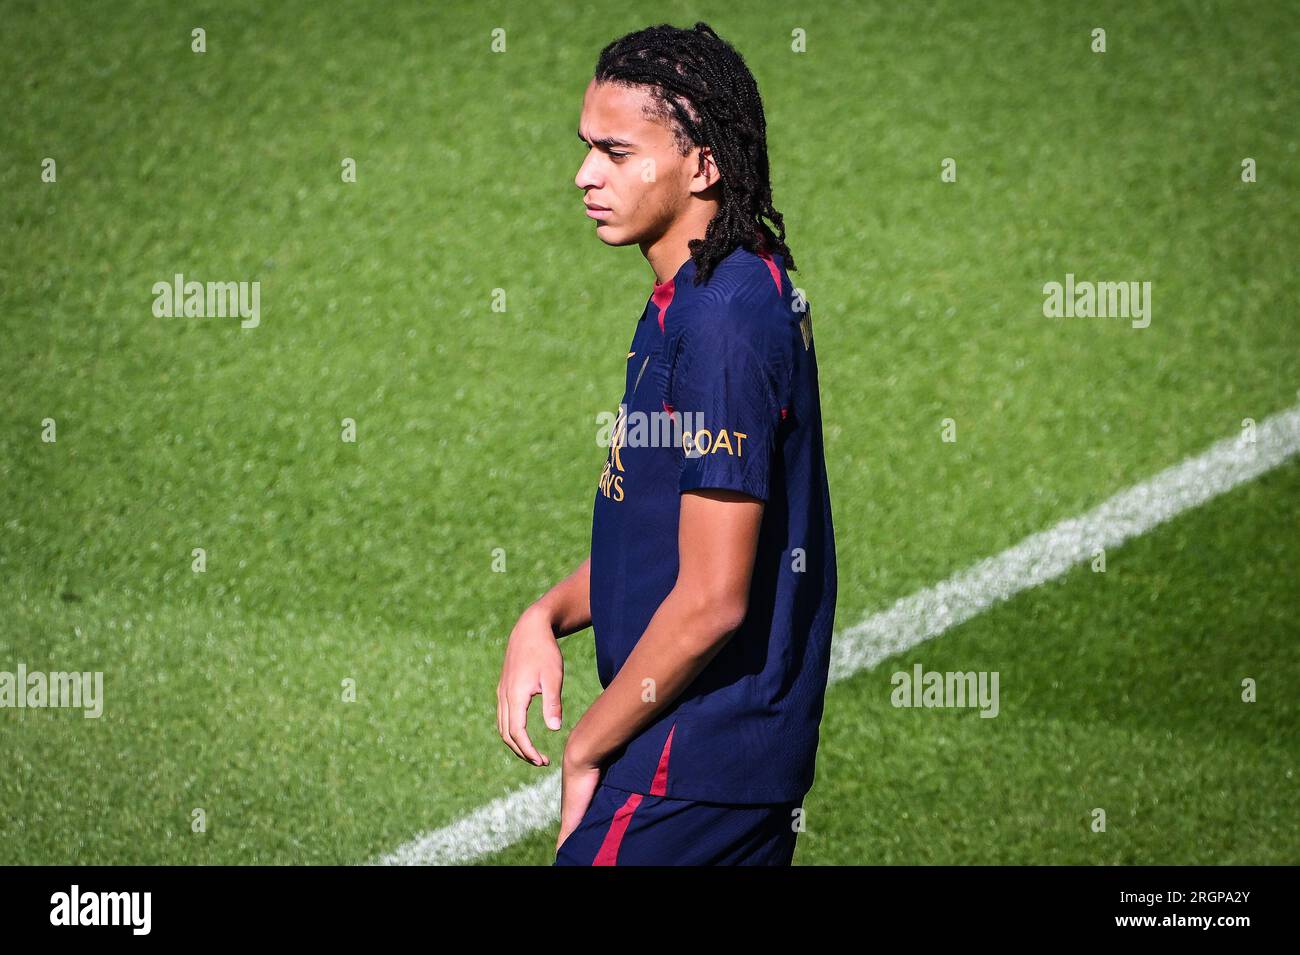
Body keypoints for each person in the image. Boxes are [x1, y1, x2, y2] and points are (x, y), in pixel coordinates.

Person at [496, 21, 836, 866]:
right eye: (587, 147)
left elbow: (713, 597)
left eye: (616, 152)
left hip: (685, 767)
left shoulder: (721, 324)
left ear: (703, 164)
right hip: (707, 761)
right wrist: (546, 614)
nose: (585, 175)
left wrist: (587, 747)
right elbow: (664, 536)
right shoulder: (699, 294)